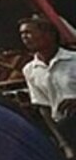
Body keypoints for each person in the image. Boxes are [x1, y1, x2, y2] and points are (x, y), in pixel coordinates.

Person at [19, 15, 76, 149]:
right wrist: (63, 142)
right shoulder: (29, 70)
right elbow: (44, 107)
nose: (25, 38)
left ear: (49, 35)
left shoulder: (73, 60)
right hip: (68, 129)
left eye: (29, 32)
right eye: (22, 34)